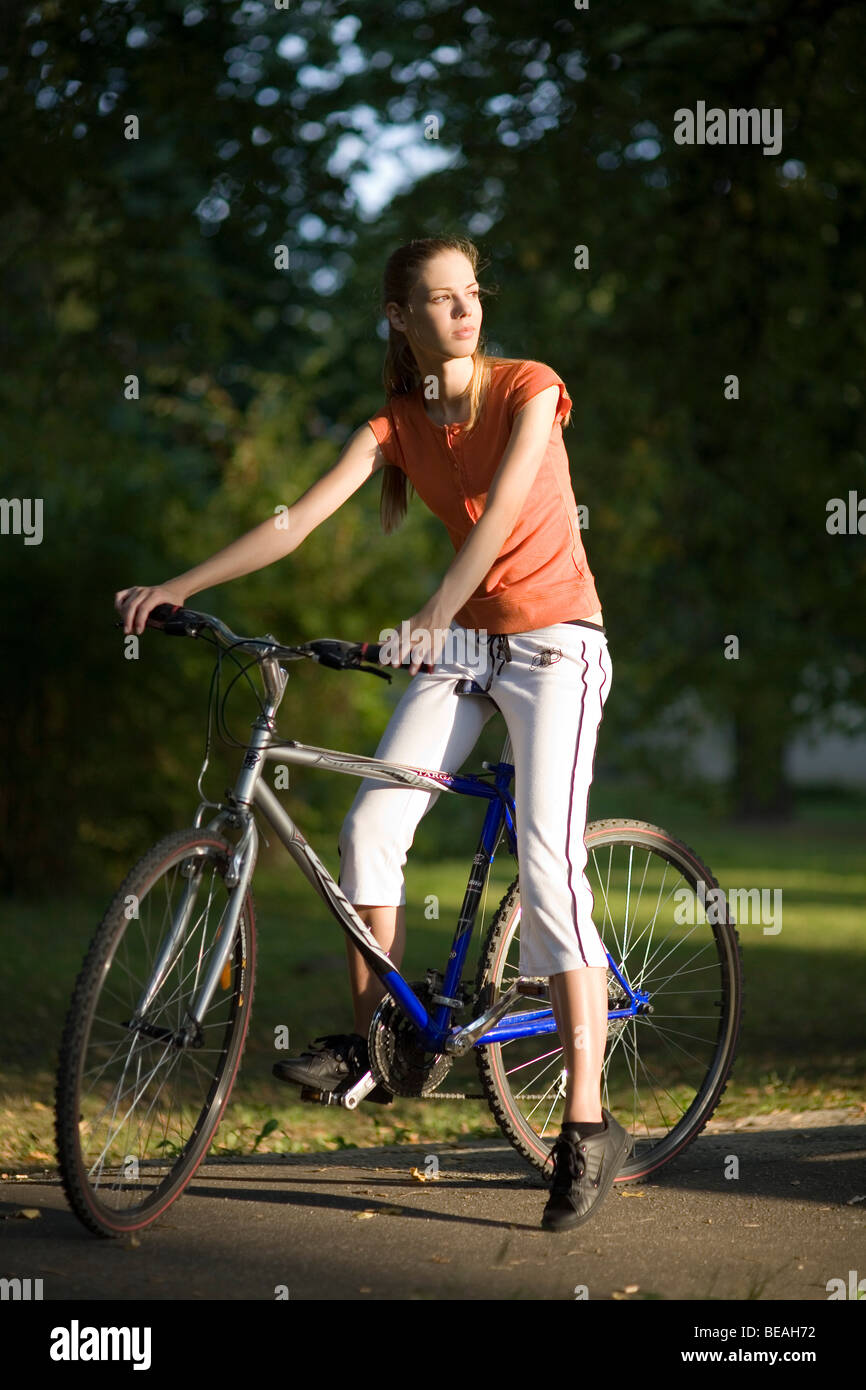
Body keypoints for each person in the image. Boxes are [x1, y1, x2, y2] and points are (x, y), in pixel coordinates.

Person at [115, 234, 632, 1232]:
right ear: (398, 316)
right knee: (367, 827)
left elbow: (503, 516)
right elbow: (293, 521)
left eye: (469, 294)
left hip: (555, 644)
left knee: (547, 868)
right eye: (437, 300)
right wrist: (180, 585)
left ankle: (585, 1121)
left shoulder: (529, 386)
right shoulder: (397, 424)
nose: (461, 312)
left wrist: (433, 611)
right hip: (468, 648)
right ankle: (378, 1044)